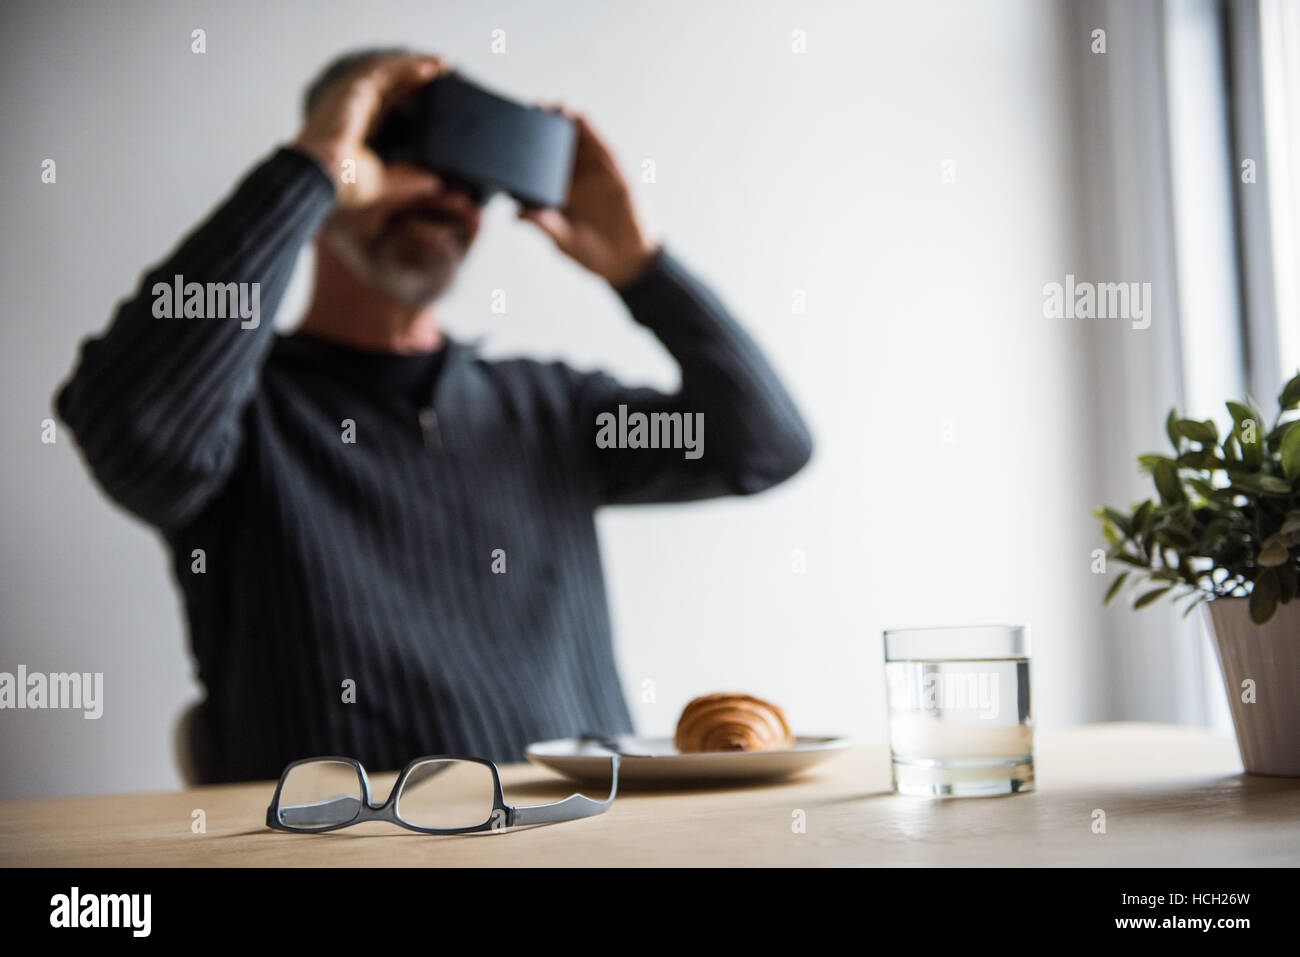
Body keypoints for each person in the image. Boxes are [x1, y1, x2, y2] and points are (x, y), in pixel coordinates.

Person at [54, 49, 813, 783]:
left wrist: (638, 265)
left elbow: (764, 445)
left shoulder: (549, 411)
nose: (447, 195)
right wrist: (311, 172)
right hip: (341, 851)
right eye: (405, 151)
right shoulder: (241, 414)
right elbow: (135, 430)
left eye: (472, 180)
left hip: (580, 838)